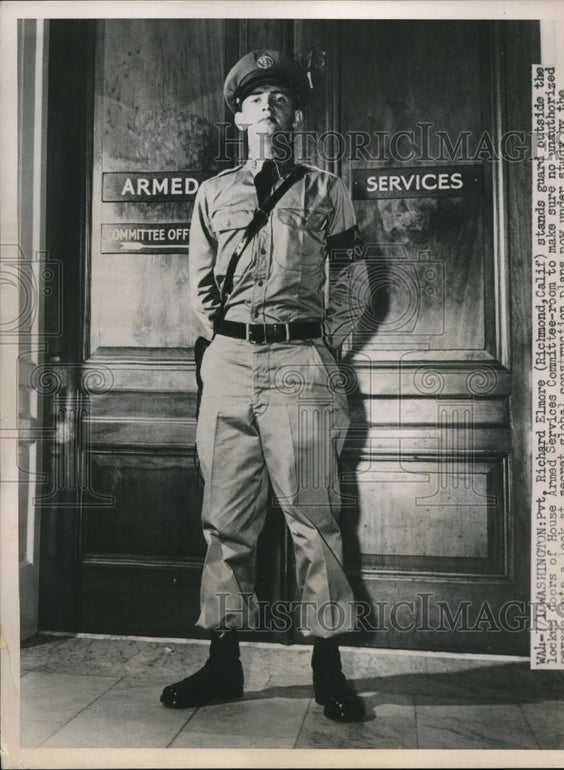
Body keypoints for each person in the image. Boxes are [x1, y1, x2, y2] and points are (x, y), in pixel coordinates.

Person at [160, 49, 369, 722]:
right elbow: (198, 286)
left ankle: (328, 666)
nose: (268, 108)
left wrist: (322, 345)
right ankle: (223, 663)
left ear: (296, 115)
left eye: (280, 99)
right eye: (256, 100)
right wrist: (230, 342)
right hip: (227, 362)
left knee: (313, 518)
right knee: (225, 522)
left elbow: (353, 281)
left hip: (301, 364)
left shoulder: (325, 189)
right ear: (239, 115)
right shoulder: (213, 193)